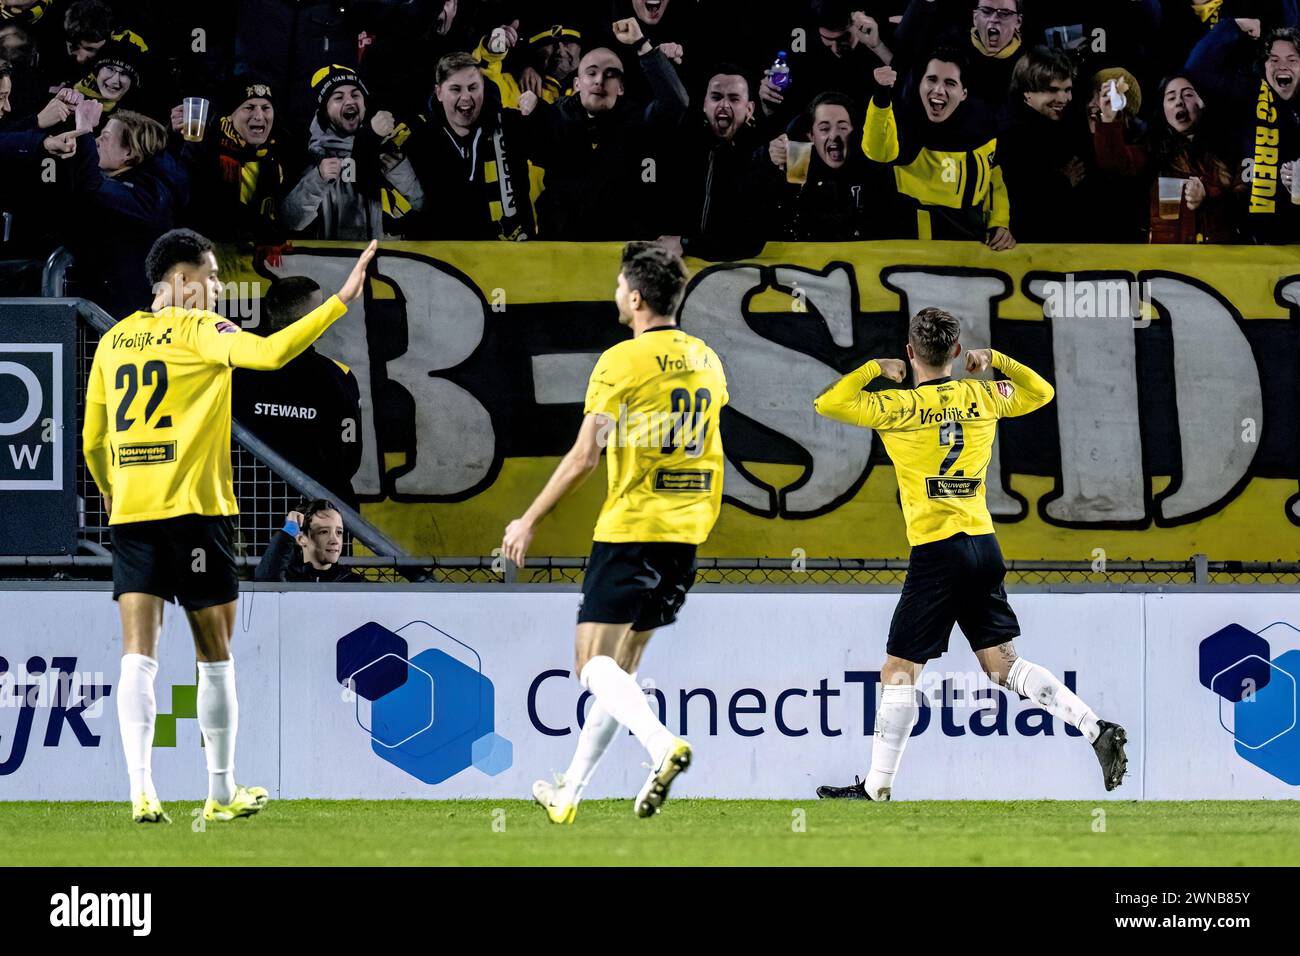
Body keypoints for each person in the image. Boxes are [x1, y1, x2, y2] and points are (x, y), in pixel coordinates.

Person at [81, 228, 377, 825]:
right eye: (212, 277)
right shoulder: (200, 331)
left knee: (137, 657)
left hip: (134, 514)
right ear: (183, 282)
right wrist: (341, 299)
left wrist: (117, 488)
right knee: (214, 658)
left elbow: (92, 439)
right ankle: (219, 791)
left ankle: (141, 789)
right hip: (196, 514)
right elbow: (270, 355)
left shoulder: (113, 340)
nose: (218, 289)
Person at [811, 307, 1128, 801]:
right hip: (983, 545)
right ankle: (1095, 727)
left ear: (911, 353)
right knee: (1005, 667)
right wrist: (996, 358)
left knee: (898, 671)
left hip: (937, 551)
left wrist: (876, 369)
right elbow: (1042, 391)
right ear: (958, 353)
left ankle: (876, 788)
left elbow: (828, 402)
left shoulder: (896, 407)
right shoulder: (983, 395)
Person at [502, 241, 729, 823]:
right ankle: (567, 792)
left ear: (634, 297)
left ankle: (661, 746)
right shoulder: (707, 358)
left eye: (617, 285)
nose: (614, 294)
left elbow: (585, 457)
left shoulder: (619, 361)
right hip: (688, 531)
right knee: (620, 673)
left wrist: (528, 520)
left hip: (633, 526)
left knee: (590, 666)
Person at [525, 19, 689, 239]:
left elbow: (676, 103)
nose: (599, 81)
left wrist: (642, 45)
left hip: (619, 254)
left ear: (621, 87)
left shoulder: (638, 122)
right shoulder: (553, 117)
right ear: (577, 84)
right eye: (591, 73)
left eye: (610, 74)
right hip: (561, 255)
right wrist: (531, 113)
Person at [231, 276, 364, 507]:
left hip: (254, 508)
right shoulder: (337, 375)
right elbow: (350, 455)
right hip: (324, 510)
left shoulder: (234, 372)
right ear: (311, 320)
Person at [864, 52, 1015, 248]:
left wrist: (999, 223)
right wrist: (881, 96)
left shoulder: (984, 127)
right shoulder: (908, 125)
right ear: (920, 85)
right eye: (932, 80)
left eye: (950, 83)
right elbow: (878, 151)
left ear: (964, 93)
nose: (938, 90)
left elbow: (994, 177)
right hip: (921, 245)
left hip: (976, 243)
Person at [396, 51, 536, 240]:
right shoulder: (417, 135)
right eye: (456, 89)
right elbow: (365, 170)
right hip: (446, 261)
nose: (466, 97)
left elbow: (560, 148)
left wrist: (540, 112)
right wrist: (371, 134)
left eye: (473, 88)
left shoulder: (510, 124)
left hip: (508, 258)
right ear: (439, 92)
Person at [67, 103, 190, 316]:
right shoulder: (141, 184)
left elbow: (91, 188)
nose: (96, 141)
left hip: (129, 320)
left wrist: (84, 129)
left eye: (104, 136)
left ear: (129, 152)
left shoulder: (147, 193)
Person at [280, 64, 425, 240]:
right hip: (331, 265)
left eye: (356, 95)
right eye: (338, 97)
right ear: (324, 109)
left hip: (383, 264)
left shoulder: (386, 148)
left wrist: (399, 170)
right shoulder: (309, 155)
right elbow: (291, 221)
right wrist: (317, 179)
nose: (349, 101)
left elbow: (421, 208)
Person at [1093, 73, 1238, 243]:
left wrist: (1208, 193)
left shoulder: (1227, 150)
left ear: (1202, 102)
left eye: (1188, 94)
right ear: (1163, 109)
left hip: (1216, 263)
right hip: (1166, 263)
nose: (1179, 101)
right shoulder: (1152, 151)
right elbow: (1114, 163)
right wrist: (1109, 119)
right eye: (1171, 97)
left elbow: (1242, 202)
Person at [660, 65, 777, 260]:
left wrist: (686, 244)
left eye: (734, 99)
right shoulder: (684, 144)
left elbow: (750, 241)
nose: (723, 105)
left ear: (749, 109)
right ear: (705, 104)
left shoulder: (762, 157)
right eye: (716, 97)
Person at [170, 75, 283, 243]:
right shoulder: (206, 148)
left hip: (260, 265)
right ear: (231, 115)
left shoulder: (281, 153)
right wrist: (174, 138)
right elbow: (199, 205)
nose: (259, 116)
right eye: (249, 107)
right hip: (208, 258)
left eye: (266, 108)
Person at [999, 47, 1095, 242]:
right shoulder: (1011, 135)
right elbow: (1024, 201)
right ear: (1026, 93)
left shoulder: (1063, 123)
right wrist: (1063, 182)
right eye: (1052, 90)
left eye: (1067, 89)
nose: (1063, 99)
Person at [769, 90, 891, 240]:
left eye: (843, 127)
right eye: (824, 129)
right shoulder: (798, 160)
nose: (834, 136)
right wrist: (768, 158)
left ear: (855, 131)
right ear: (811, 135)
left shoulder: (870, 165)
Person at [255, 501, 362, 583]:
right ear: (301, 539)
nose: (335, 540)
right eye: (324, 532)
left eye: (339, 532)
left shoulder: (352, 582)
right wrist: (287, 534)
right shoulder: (287, 578)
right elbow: (264, 582)